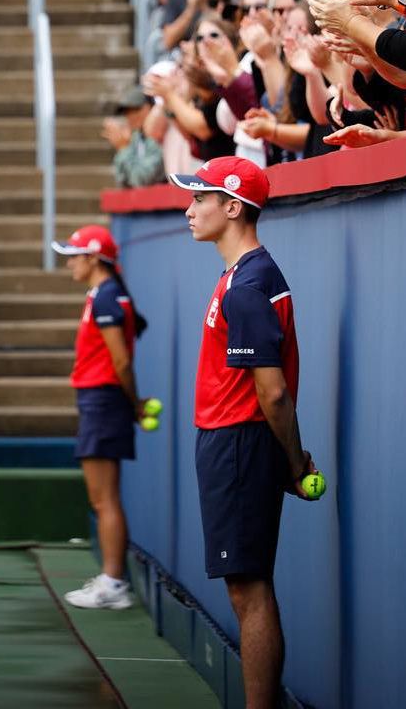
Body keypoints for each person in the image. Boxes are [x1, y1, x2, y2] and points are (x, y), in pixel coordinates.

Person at [168, 157, 319, 709]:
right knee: (247, 588)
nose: (189, 210)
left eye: (199, 198)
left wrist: (294, 461)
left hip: (238, 444)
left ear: (232, 207)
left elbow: (272, 392)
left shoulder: (248, 284)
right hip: (234, 442)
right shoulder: (244, 275)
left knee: (249, 592)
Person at [52, 225, 148, 611]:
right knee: (104, 498)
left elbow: (120, 361)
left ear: (93, 259)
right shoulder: (107, 294)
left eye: (74, 256)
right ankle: (112, 580)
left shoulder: (107, 296)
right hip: (103, 401)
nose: (69, 263)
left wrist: (135, 403)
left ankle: (113, 583)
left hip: (103, 402)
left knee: (103, 499)